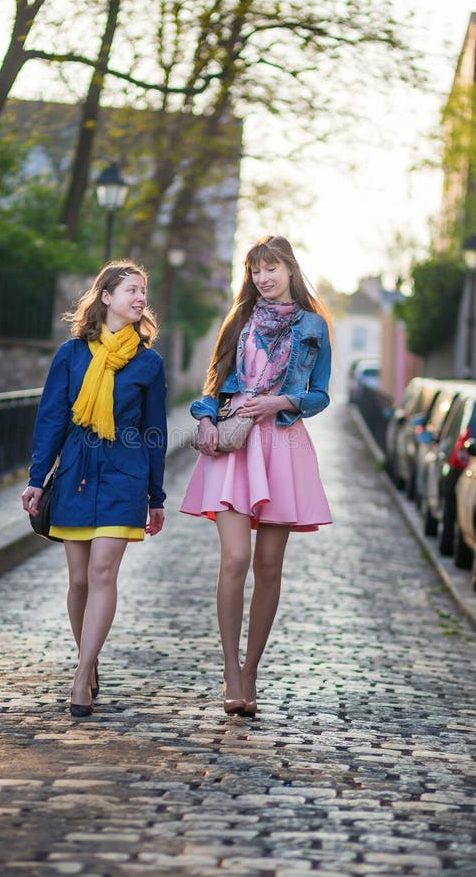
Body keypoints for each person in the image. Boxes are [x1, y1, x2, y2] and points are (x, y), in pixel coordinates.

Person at [180, 235, 332, 716]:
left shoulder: (314, 326)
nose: (263, 279)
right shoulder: (239, 321)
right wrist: (205, 419)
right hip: (235, 446)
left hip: (282, 446)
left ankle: (251, 674)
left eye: (271, 269)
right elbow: (213, 385)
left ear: (289, 269)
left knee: (269, 568)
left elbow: (321, 393)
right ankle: (229, 671)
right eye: (255, 270)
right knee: (235, 560)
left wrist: (284, 401)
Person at [22, 261, 167, 717]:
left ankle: (82, 674)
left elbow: (155, 429)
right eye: (131, 290)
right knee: (80, 579)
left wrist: (156, 495)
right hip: (77, 472)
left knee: (104, 573)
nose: (140, 298)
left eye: (143, 291)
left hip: (125, 474)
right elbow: (51, 419)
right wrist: (36, 477)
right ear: (106, 297)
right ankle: (91, 654)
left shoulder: (149, 362)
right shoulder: (71, 354)